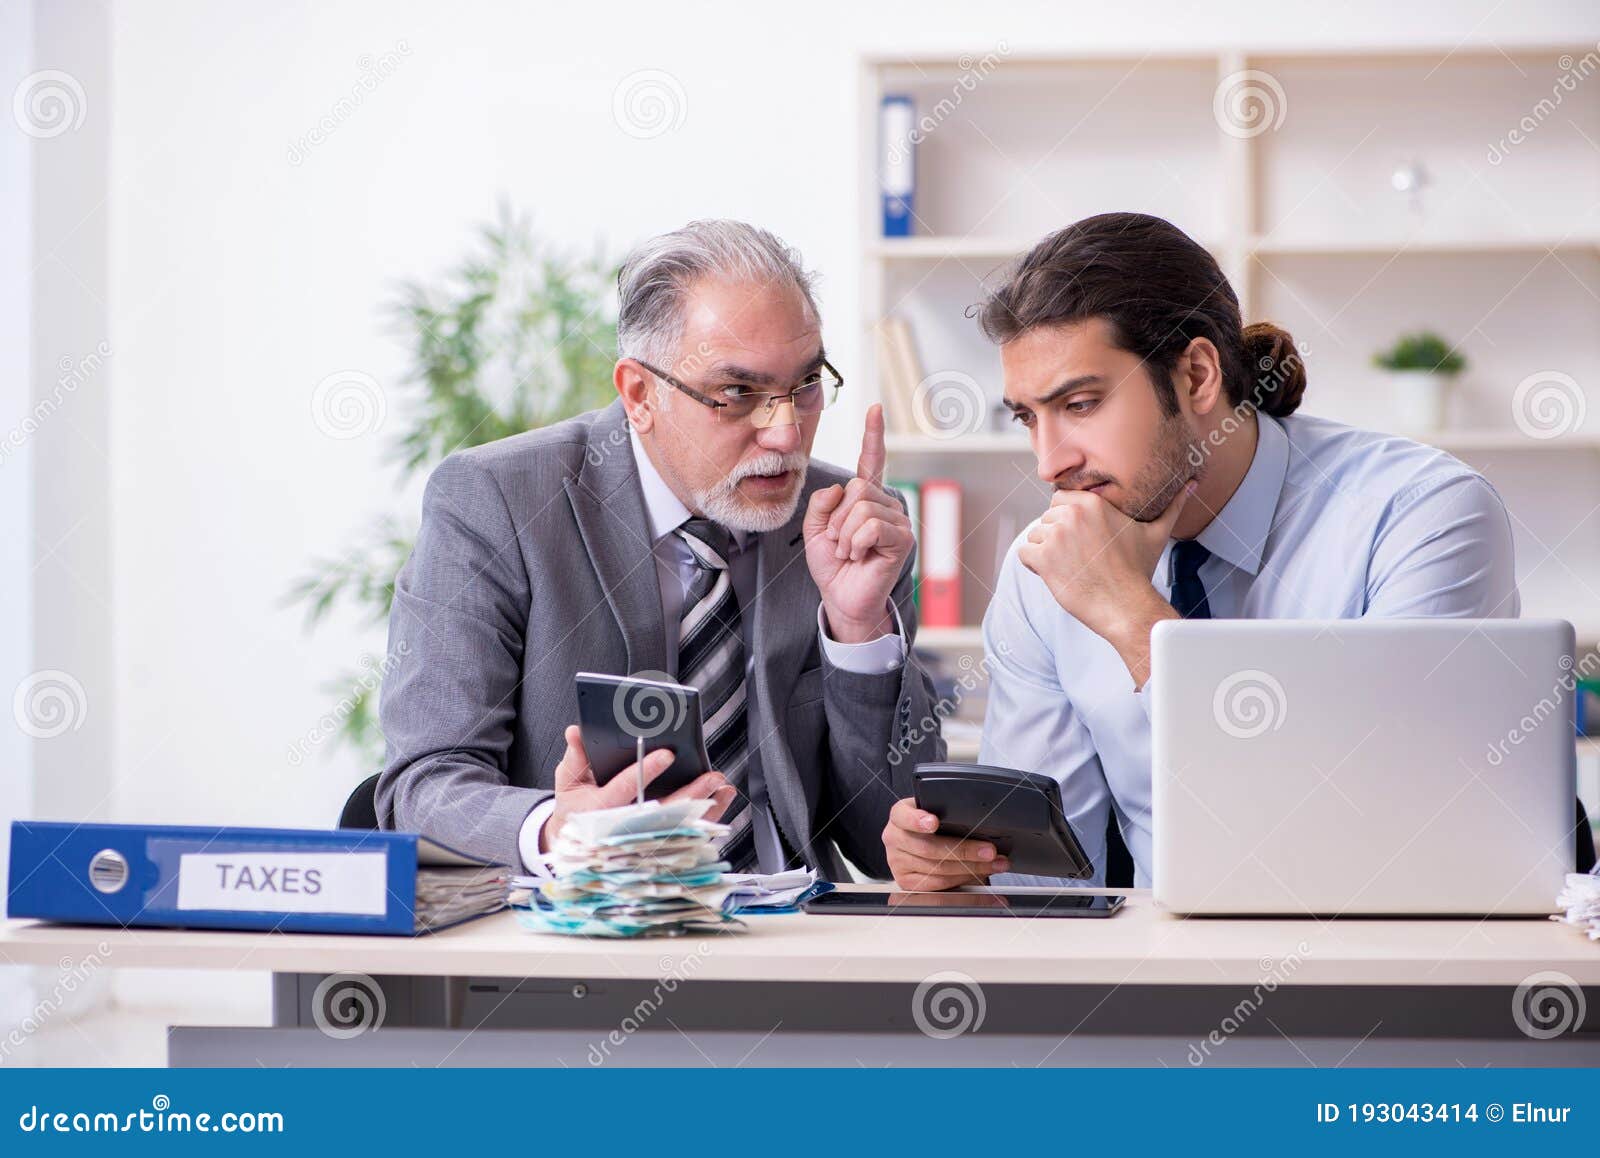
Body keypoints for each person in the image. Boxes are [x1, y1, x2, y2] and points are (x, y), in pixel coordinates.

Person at [881, 211, 1518, 891]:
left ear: (1197, 375)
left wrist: (1130, 615)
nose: (1050, 462)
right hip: (1156, 981)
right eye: (1029, 417)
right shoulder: (1045, 571)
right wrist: (964, 871)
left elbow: (1389, 832)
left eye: (1082, 403)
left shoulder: (1420, 516)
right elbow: (1046, 889)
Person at [378, 219, 944, 878]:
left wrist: (858, 630)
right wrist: (559, 831)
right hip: (586, 949)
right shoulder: (499, 503)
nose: (786, 431)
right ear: (640, 395)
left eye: (807, 384)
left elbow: (892, 836)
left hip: (800, 939)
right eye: (738, 394)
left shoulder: (849, 526)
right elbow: (422, 790)